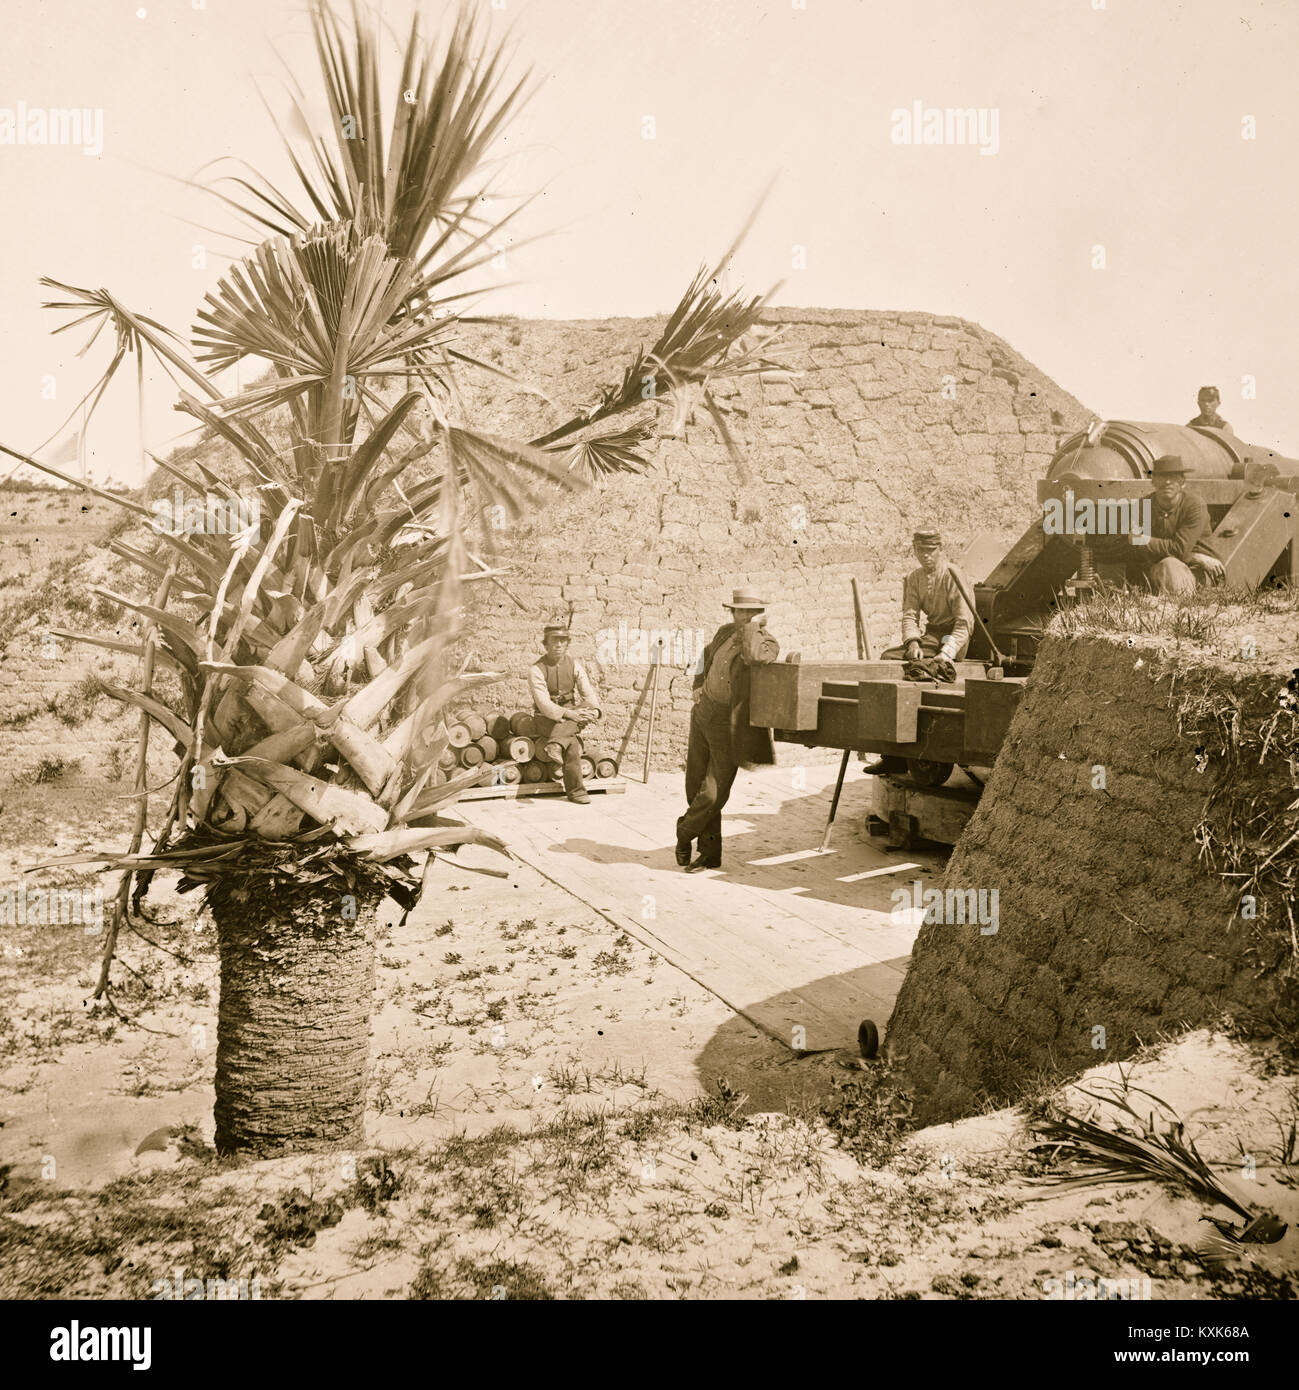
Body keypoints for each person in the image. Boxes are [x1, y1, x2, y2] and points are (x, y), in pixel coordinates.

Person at [675, 586, 780, 872]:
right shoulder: (723, 632)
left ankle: (684, 833)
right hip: (703, 714)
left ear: (759, 615)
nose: (742, 616)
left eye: (749, 612)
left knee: (713, 793)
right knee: (695, 785)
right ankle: (709, 855)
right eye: (738, 611)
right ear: (732, 612)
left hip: (728, 725)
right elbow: (704, 657)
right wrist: (698, 687)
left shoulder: (766, 642)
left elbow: (756, 656)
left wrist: (753, 629)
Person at [1116, 454, 1218, 595]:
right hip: (1157, 568)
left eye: (1174, 477)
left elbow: (1178, 550)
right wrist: (1193, 556)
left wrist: (1144, 540)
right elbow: (1132, 546)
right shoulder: (1142, 506)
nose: (1167, 482)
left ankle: (1174, 608)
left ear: (1182, 481)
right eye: (1161, 477)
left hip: (1195, 571)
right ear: (1153, 481)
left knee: (1170, 566)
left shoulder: (1194, 505)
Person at [528, 623, 601, 804]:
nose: (559, 645)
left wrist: (594, 711)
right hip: (546, 719)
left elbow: (588, 693)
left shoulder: (574, 665)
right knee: (573, 744)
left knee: (570, 733)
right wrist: (572, 715)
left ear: (567, 644)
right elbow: (545, 705)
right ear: (546, 645)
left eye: (562, 641)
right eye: (554, 641)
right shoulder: (536, 669)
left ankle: (555, 745)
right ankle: (576, 792)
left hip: (571, 716)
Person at [879, 530, 974, 662]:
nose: (925, 555)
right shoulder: (914, 578)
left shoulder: (952, 575)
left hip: (953, 637)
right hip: (932, 636)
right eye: (921, 550)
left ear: (940, 549)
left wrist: (946, 653)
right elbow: (910, 616)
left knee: (932, 662)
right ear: (914, 549)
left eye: (931, 550)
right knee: (888, 657)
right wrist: (913, 644)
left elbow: (964, 623)